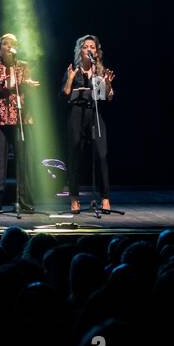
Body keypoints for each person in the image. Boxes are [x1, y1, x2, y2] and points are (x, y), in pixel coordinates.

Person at [0, 33, 40, 213]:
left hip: (20, 117)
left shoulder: (23, 66)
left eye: (12, 44)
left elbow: (27, 86)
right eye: (5, 44)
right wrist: (4, 82)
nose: (8, 47)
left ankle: (24, 198)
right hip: (1, 118)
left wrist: (28, 84)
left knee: (23, 159)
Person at [63, 34, 115, 213]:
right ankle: (75, 198)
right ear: (81, 50)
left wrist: (107, 85)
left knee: (102, 155)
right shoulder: (74, 70)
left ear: (96, 51)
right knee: (75, 155)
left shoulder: (100, 72)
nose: (90, 49)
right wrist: (70, 79)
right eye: (86, 46)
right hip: (77, 113)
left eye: (93, 47)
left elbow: (107, 97)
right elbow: (65, 94)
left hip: (95, 112)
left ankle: (105, 197)